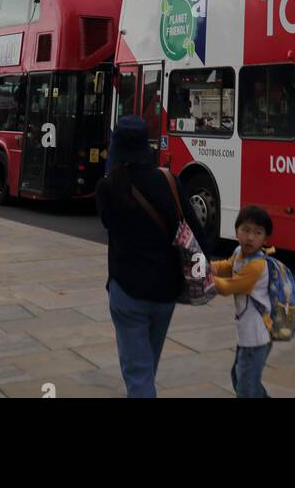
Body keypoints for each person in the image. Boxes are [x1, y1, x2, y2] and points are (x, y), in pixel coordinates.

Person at [96, 116, 207, 399]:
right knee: (147, 367)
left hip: (127, 290)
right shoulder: (168, 180)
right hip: (165, 293)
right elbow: (198, 233)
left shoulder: (108, 188)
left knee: (138, 374)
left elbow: (109, 224)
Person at [212, 205, 275, 399]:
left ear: (265, 239)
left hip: (256, 337)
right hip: (246, 334)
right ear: (236, 230)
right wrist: (208, 266)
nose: (250, 237)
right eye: (245, 230)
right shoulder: (240, 252)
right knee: (242, 379)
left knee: (245, 387)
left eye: (257, 233)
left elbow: (229, 286)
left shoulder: (257, 266)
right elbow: (227, 266)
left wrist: (204, 278)